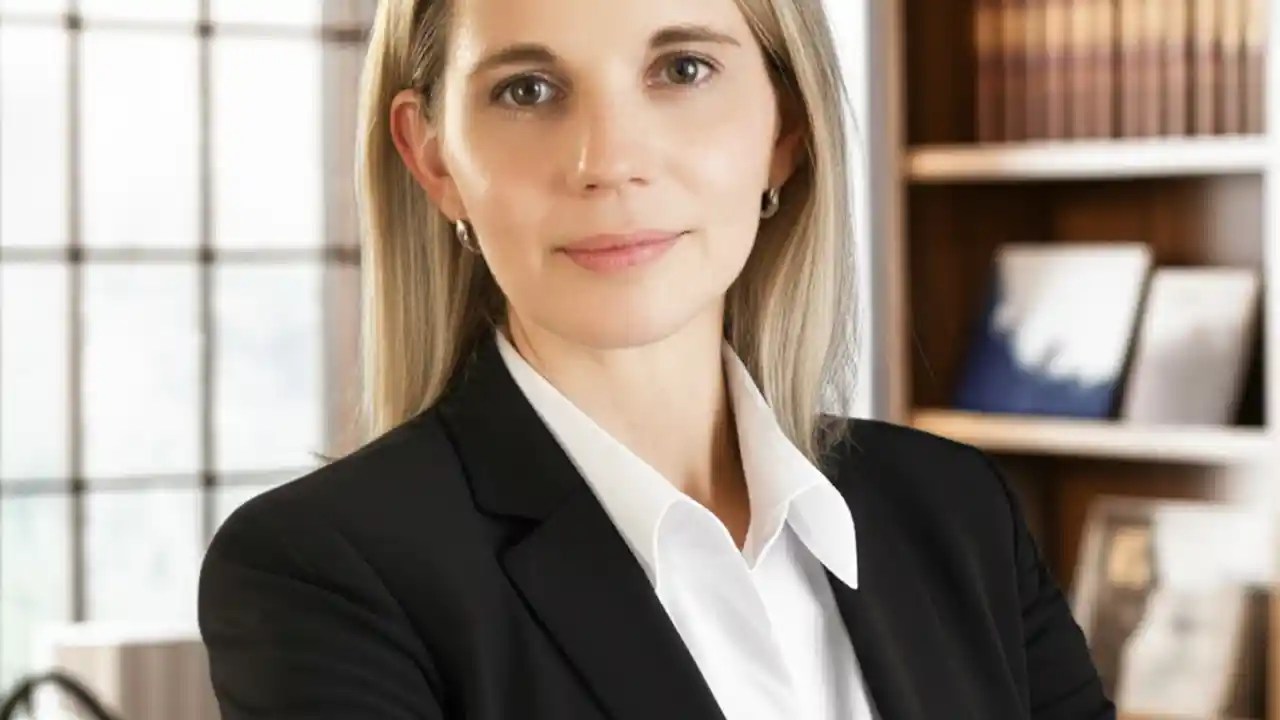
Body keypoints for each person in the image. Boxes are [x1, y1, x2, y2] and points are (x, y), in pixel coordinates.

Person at [197, 0, 1115, 717]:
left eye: (683, 68)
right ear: (434, 159)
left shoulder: (955, 513)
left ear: (785, 133)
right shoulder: (326, 571)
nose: (609, 160)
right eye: (526, 89)